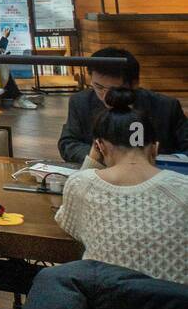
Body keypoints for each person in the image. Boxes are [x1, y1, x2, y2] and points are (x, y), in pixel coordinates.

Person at [54, 86, 188, 285]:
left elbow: (69, 223)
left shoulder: (81, 185)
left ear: (100, 148)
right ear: (155, 148)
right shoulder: (183, 188)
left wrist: (92, 158)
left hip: (107, 301)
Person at [57, 48, 188, 164]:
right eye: (98, 87)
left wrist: (155, 159)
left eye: (115, 90)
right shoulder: (81, 102)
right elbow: (68, 144)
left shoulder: (165, 106)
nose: (105, 96)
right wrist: (105, 155)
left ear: (135, 83)